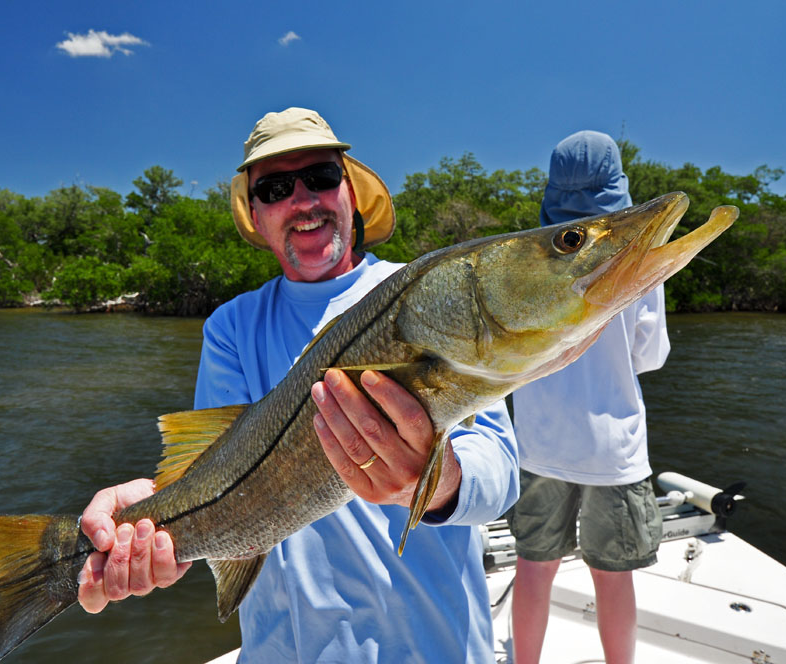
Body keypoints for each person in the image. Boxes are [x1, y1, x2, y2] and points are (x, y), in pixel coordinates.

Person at [76, 107, 521, 663]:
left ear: (351, 194)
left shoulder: (430, 297)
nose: (304, 199)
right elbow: (212, 471)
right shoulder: (232, 328)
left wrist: (436, 479)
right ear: (256, 217)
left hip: (437, 647)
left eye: (321, 177)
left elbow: (500, 475)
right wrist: (150, 517)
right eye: (276, 187)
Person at [508, 130, 669, 664]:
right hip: (612, 448)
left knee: (533, 567)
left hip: (537, 444)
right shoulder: (643, 255)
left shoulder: (523, 256)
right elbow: (650, 356)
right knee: (612, 575)